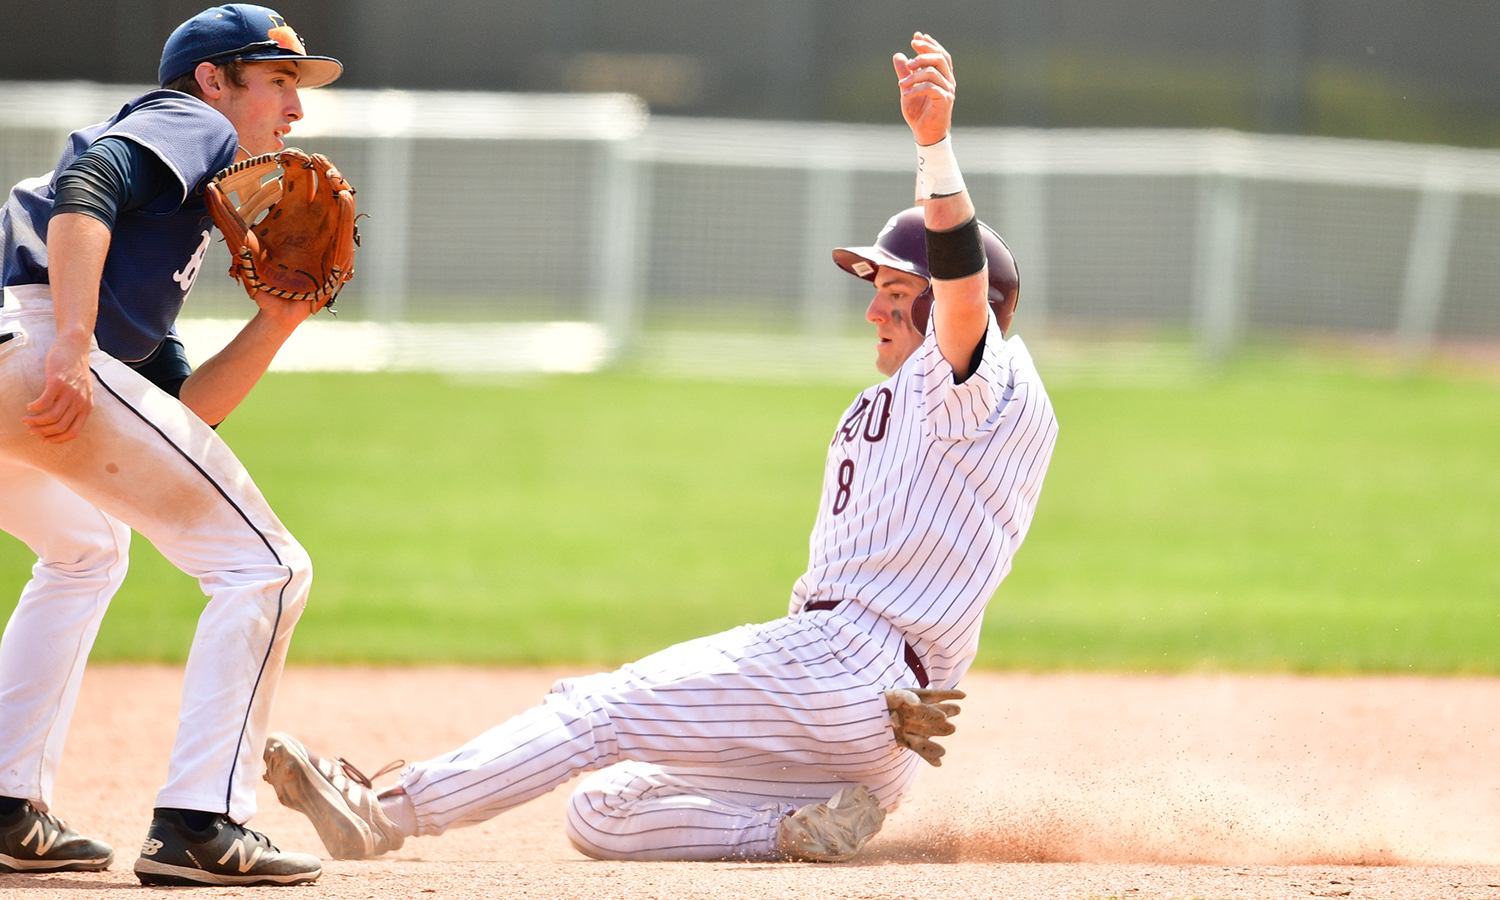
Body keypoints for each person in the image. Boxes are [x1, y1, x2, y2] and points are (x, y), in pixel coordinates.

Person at [265, 31, 1058, 864]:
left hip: (843, 664)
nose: (874, 309)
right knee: (602, 809)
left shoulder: (975, 381)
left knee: (593, 711)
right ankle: (791, 832)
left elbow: (961, 288)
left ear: (956, 307)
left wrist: (934, 147)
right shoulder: (926, 401)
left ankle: (387, 810)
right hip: (887, 722)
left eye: (896, 291)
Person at [0, 4, 344, 886]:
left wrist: (279, 322)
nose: (295, 108)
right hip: (36, 344)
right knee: (266, 567)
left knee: (86, 547)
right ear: (213, 80)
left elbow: (184, 413)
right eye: (277, 81)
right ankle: (200, 822)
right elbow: (89, 184)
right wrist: (71, 342)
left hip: (17, 350)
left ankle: (3, 806)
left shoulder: (170, 225)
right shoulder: (191, 121)